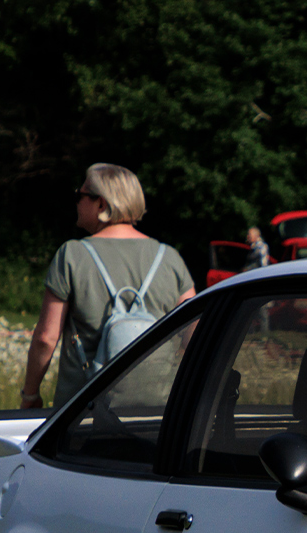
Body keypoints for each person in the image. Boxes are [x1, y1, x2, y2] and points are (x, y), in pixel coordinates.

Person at [21, 163, 195, 409]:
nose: (76, 202)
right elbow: (194, 337)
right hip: (157, 416)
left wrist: (30, 396)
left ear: (101, 204)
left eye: (79, 196)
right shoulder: (169, 258)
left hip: (82, 417)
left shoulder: (72, 255)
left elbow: (46, 338)